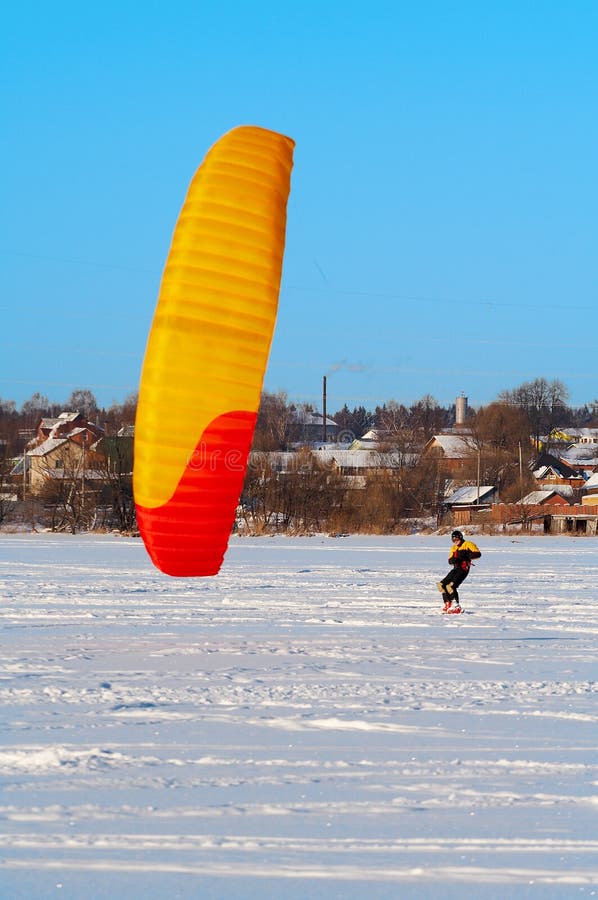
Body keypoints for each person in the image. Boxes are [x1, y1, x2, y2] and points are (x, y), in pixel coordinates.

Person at [436, 530, 481, 611]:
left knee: (451, 586)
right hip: (455, 569)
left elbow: (478, 554)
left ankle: (456, 606)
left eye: (457, 539)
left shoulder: (468, 544)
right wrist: (454, 559)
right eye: (453, 540)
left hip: (463, 569)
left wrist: (466, 556)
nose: (455, 541)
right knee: (441, 585)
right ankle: (447, 604)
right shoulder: (453, 548)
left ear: (460, 538)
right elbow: (450, 560)